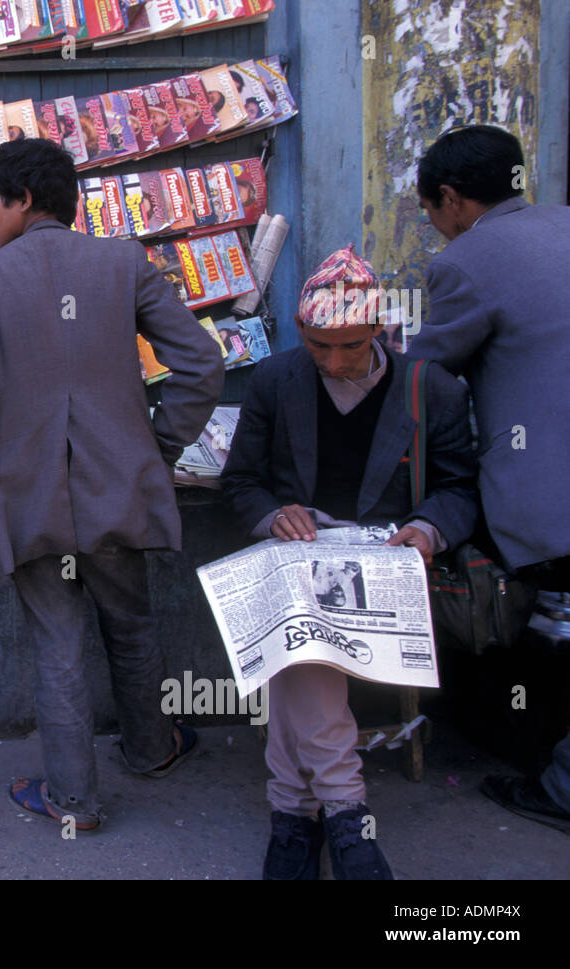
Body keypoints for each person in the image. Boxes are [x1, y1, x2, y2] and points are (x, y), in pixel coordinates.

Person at [0, 138, 224, 830]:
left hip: (24, 498)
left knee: (57, 638)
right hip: (116, 489)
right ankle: (151, 748)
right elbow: (202, 365)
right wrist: (159, 446)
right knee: (131, 619)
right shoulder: (124, 263)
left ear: (23, 201)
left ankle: (74, 801)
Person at [220, 245, 479, 878]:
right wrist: (273, 515)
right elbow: (242, 482)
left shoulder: (430, 388)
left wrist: (425, 530)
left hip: (389, 559)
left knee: (299, 648)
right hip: (301, 553)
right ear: (303, 333)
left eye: (351, 348)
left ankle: (295, 817)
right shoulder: (278, 380)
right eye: (320, 347)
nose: (334, 363)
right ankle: (344, 813)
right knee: (303, 639)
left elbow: (461, 488)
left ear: (380, 331)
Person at [407, 124, 570, 834]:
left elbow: (428, 369)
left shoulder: (468, 262)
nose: (439, 229)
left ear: (450, 200)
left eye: (434, 214)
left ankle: (562, 788)